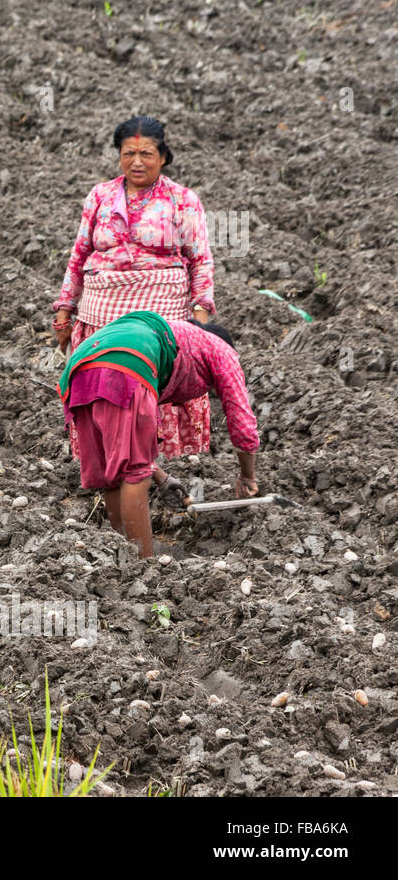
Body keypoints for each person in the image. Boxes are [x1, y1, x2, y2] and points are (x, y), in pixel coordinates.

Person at [51, 116, 215, 499]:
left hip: (159, 317)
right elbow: (79, 255)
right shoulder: (100, 196)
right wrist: (64, 310)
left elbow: (200, 259)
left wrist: (200, 318)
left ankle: (140, 473)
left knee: (143, 401)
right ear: (119, 156)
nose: (137, 161)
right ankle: (126, 475)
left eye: (146, 154)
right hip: (100, 314)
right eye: (128, 153)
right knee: (105, 396)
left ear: (163, 156)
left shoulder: (182, 200)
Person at [58, 311, 260, 557]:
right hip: (128, 364)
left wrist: (162, 478)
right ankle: (144, 564)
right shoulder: (222, 350)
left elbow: (125, 442)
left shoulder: (177, 334)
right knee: (134, 474)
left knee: (111, 471)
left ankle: (121, 551)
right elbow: (243, 422)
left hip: (80, 366)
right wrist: (248, 478)